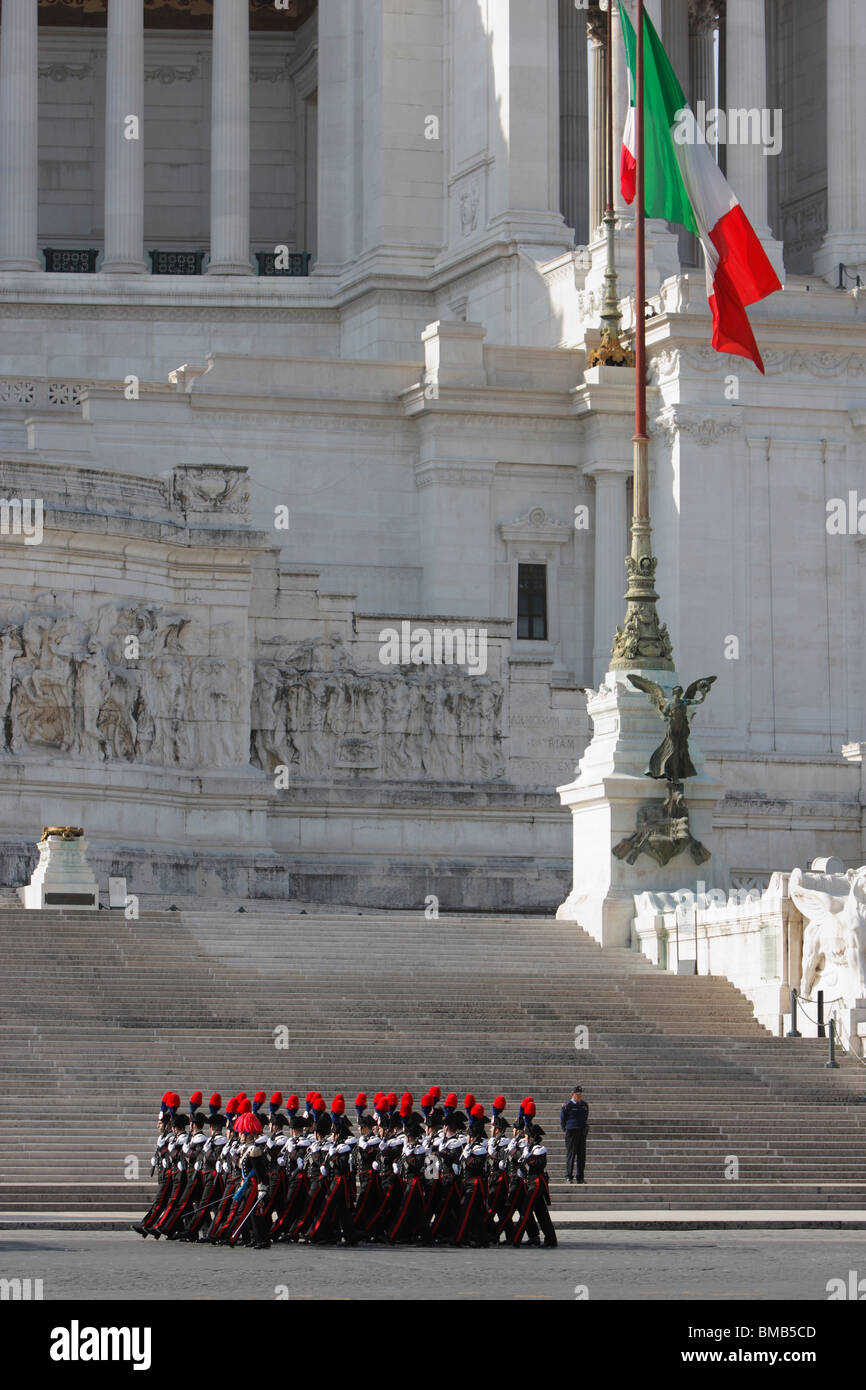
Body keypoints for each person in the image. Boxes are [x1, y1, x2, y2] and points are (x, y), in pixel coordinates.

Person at [560, 1084, 589, 1184]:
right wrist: (566, 1129)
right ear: (572, 1094)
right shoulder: (567, 1105)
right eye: (577, 1094)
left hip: (581, 1131)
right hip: (571, 1131)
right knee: (571, 1155)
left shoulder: (584, 1105)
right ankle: (569, 1176)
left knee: (581, 1156)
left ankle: (580, 1177)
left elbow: (585, 1117)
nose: (579, 1095)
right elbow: (563, 1119)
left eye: (580, 1094)